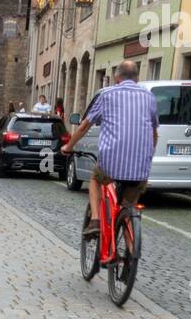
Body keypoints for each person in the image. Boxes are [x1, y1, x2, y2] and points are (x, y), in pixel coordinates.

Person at [62, 59, 158, 238]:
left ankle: (95, 220)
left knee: (95, 180)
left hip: (112, 162)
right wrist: (148, 156)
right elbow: (154, 134)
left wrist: (69, 146)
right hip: (140, 166)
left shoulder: (107, 94)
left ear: (116, 77)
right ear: (137, 78)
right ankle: (132, 250)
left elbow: (84, 126)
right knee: (129, 206)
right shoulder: (149, 97)